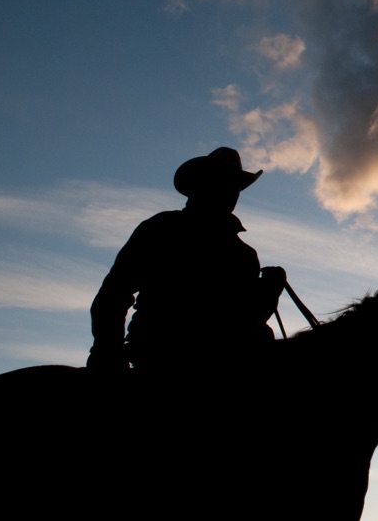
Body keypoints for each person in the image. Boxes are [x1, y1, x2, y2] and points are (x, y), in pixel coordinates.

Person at [86, 147, 286, 376]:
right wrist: (106, 351)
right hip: (162, 359)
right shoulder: (162, 228)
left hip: (227, 362)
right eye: (220, 182)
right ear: (199, 185)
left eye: (234, 186)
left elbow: (246, 319)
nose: (229, 191)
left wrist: (269, 292)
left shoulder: (244, 254)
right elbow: (115, 293)